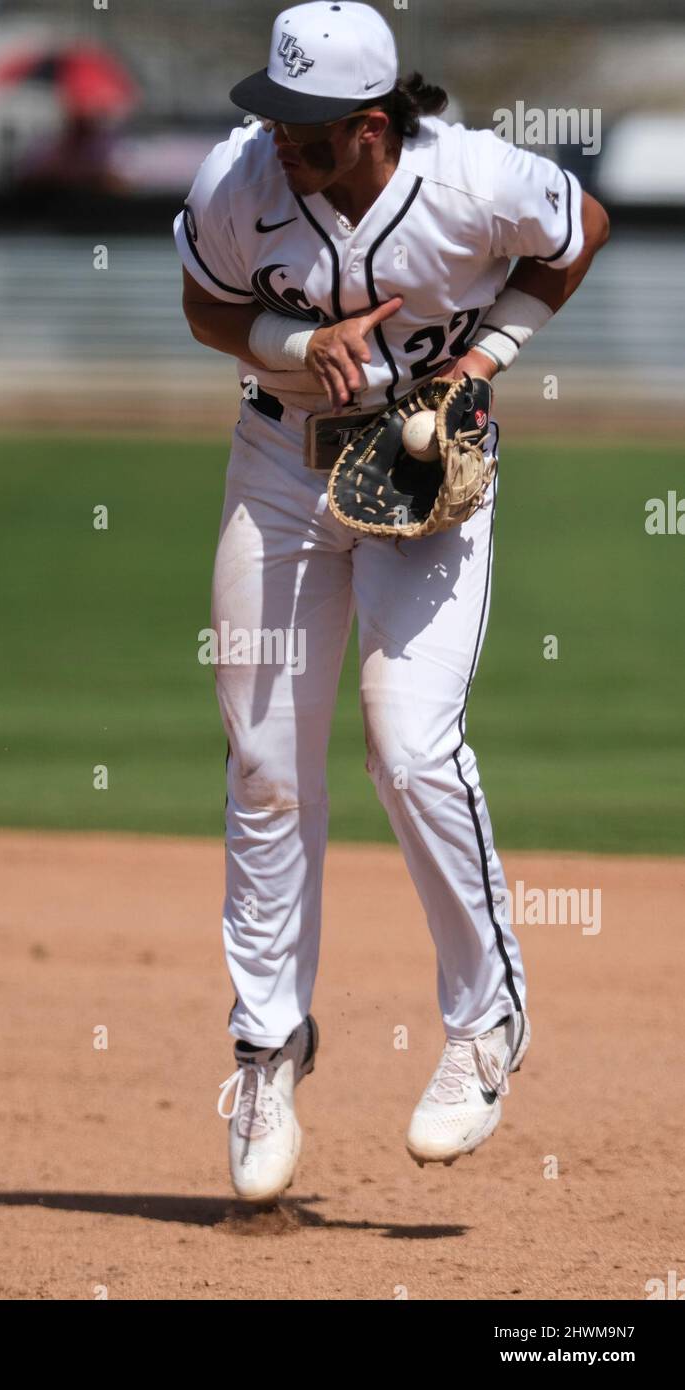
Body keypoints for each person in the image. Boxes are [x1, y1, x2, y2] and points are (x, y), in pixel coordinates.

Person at [174, 2, 609, 1203]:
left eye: (307, 132)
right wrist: (281, 334)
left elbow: (577, 232)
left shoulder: (472, 180)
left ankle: (484, 1022)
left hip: (428, 481)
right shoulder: (239, 181)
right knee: (263, 761)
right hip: (278, 472)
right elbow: (203, 302)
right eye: (273, 119)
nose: (281, 146)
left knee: (407, 744)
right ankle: (267, 1046)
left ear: (370, 127)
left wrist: (482, 363)